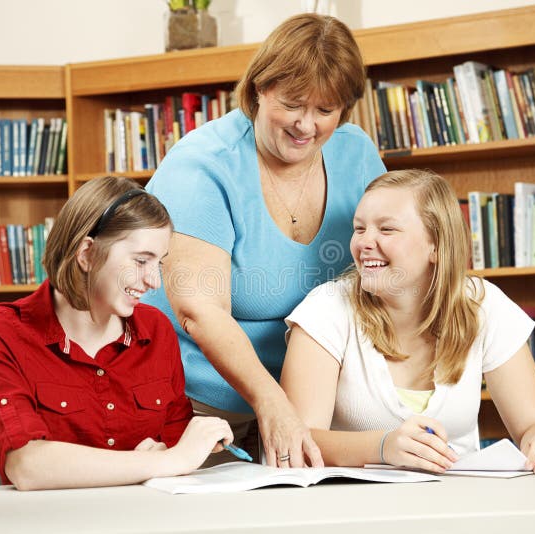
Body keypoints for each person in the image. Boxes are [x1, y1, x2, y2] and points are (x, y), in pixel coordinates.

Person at [142, 13, 386, 468]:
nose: (306, 126)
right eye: (293, 103)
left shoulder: (357, 153)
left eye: (325, 110)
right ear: (259, 88)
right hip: (198, 401)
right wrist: (272, 403)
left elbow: (392, 267)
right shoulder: (201, 166)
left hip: (314, 396)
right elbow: (199, 312)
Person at [280, 169, 535, 474]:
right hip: (356, 505)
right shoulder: (326, 309)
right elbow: (297, 443)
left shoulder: (482, 304)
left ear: (435, 245)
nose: (364, 242)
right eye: (359, 229)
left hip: (458, 502)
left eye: (386, 229)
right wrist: (383, 447)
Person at [0, 177, 234, 490]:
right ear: (87, 254)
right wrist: (166, 462)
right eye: (140, 260)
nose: (153, 282)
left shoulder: (156, 330)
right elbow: (26, 466)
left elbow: (176, 452)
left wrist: (171, 458)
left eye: (157, 264)